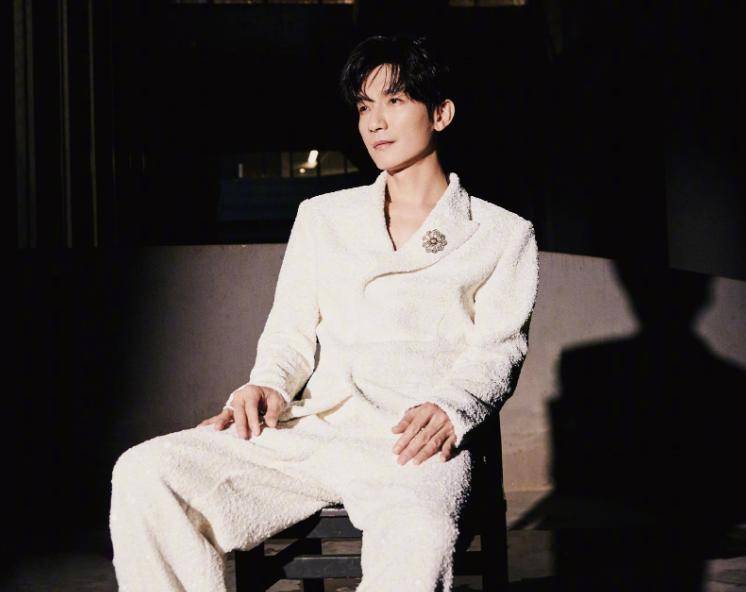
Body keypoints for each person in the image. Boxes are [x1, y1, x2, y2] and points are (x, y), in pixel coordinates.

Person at [109, 34, 540, 592]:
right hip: (312, 429)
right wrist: (268, 385)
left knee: (420, 535)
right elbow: (289, 333)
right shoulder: (323, 217)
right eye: (364, 106)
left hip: (410, 445)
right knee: (146, 471)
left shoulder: (501, 234)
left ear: (441, 113)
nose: (375, 123)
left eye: (395, 101)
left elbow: (499, 351)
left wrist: (453, 407)